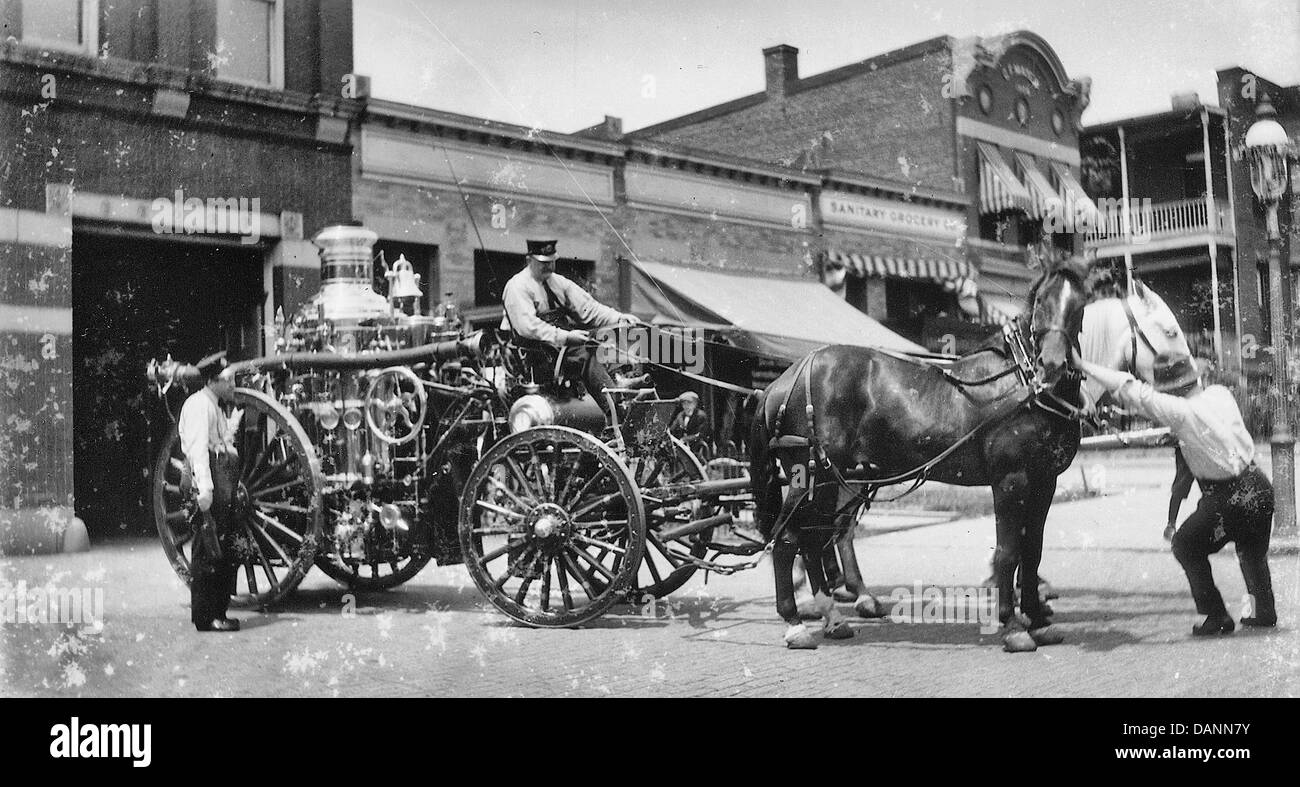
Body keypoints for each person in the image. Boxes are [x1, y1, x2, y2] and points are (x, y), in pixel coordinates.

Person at [1072, 350, 1277, 635]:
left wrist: (1082, 365)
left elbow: (1131, 390)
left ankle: (1216, 615)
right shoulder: (1219, 394)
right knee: (1251, 552)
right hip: (1259, 486)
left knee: (1185, 545)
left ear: (1170, 391)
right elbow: (1211, 430)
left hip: (1227, 495)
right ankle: (1262, 612)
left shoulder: (1181, 412)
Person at [500, 239, 640, 413]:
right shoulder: (517, 286)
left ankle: (617, 380)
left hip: (560, 348)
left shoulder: (558, 283)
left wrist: (618, 318)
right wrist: (566, 337)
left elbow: (589, 309)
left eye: (552, 262)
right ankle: (615, 407)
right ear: (529, 260)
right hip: (534, 355)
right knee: (587, 352)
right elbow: (528, 327)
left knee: (604, 335)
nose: (549, 267)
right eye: (543, 263)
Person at [178, 351, 242, 632]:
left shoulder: (212, 404)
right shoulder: (198, 406)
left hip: (220, 480)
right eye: (228, 380)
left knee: (221, 549)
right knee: (206, 551)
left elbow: (218, 442)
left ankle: (219, 610)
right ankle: (206, 617)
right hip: (209, 482)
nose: (232, 385)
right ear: (213, 380)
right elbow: (198, 451)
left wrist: (231, 428)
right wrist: (205, 488)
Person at [670, 391, 711, 455]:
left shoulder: (701, 416)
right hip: (682, 448)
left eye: (689, 403)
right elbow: (672, 429)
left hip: (698, 448)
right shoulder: (680, 415)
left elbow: (701, 434)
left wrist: (685, 439)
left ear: (695, 404)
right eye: (684, 404)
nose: (686, 406)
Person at [1166, 446, 1193, 542]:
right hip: (1187, 445)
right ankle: (1171, 524)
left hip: (1204, 443)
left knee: (1213, 485)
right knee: (1181, 484)